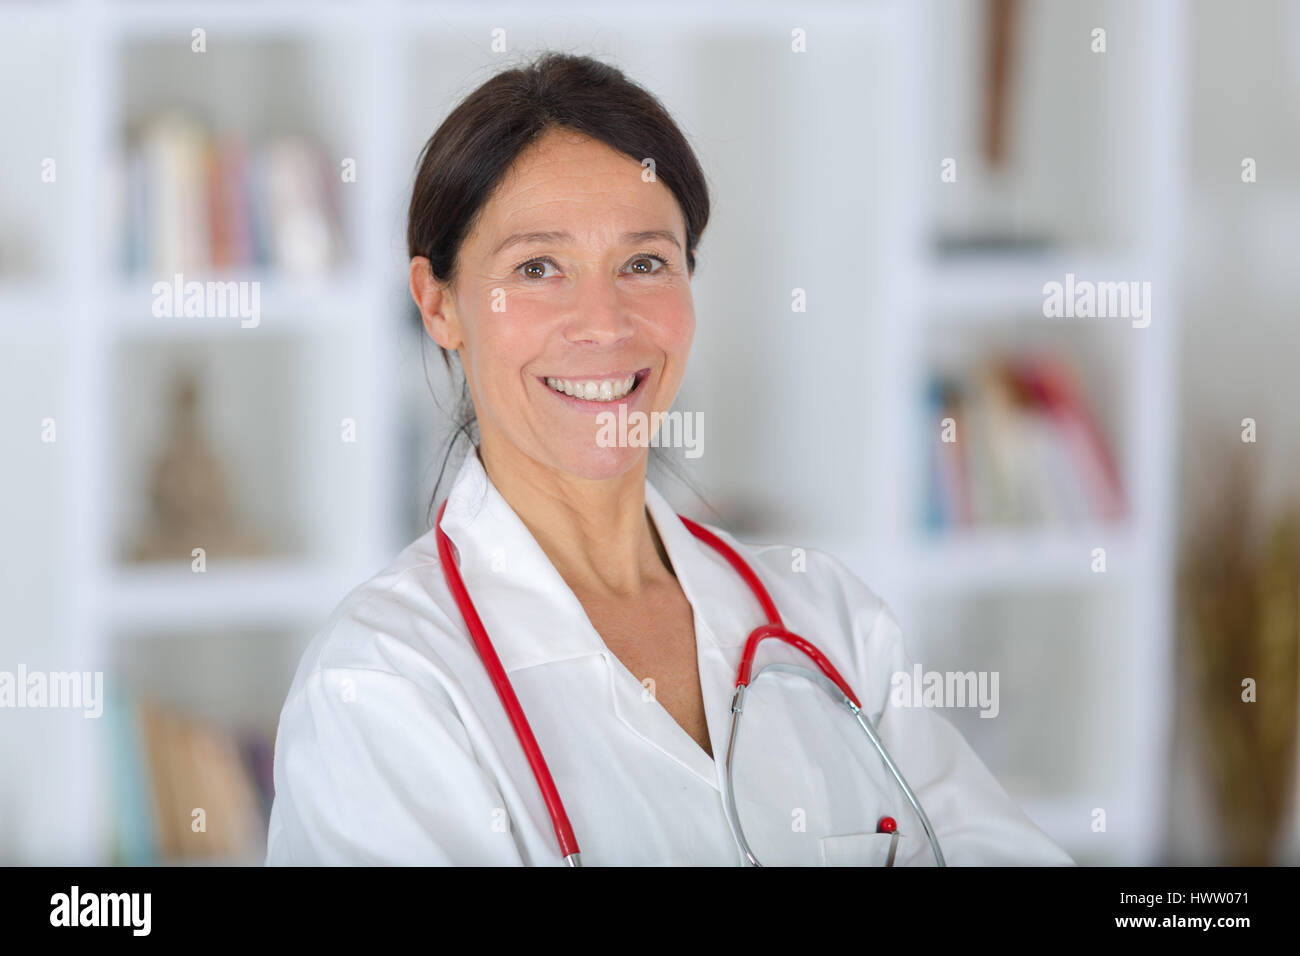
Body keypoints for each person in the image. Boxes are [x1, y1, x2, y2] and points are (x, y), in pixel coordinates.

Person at [265, 51, 1073, 866]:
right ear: (439, 304)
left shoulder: (828, 621)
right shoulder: (381, 684)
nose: (604, 322)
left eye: (645, 263)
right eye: (538, 268)